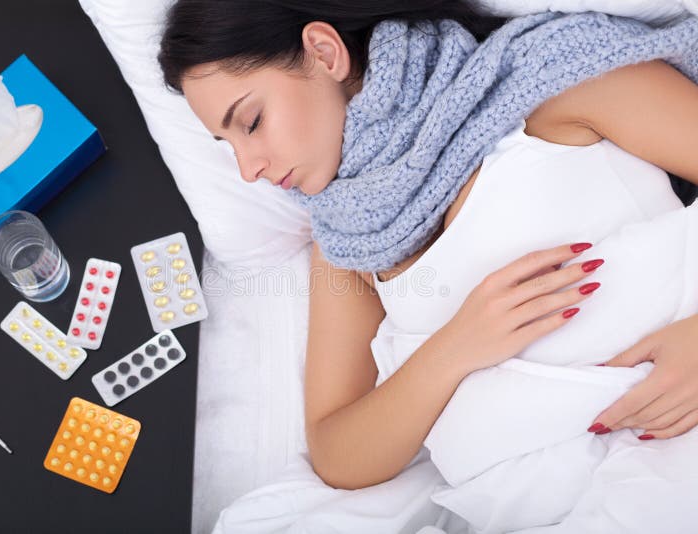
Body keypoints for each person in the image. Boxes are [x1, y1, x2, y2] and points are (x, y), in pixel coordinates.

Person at [160, 1, 698, 531]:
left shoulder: (551, 77)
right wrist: (457, 346)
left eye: (251, 122)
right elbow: (337, 453)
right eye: (227, 145)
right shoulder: (348, 240)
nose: (248, 169)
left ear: (324, 52)